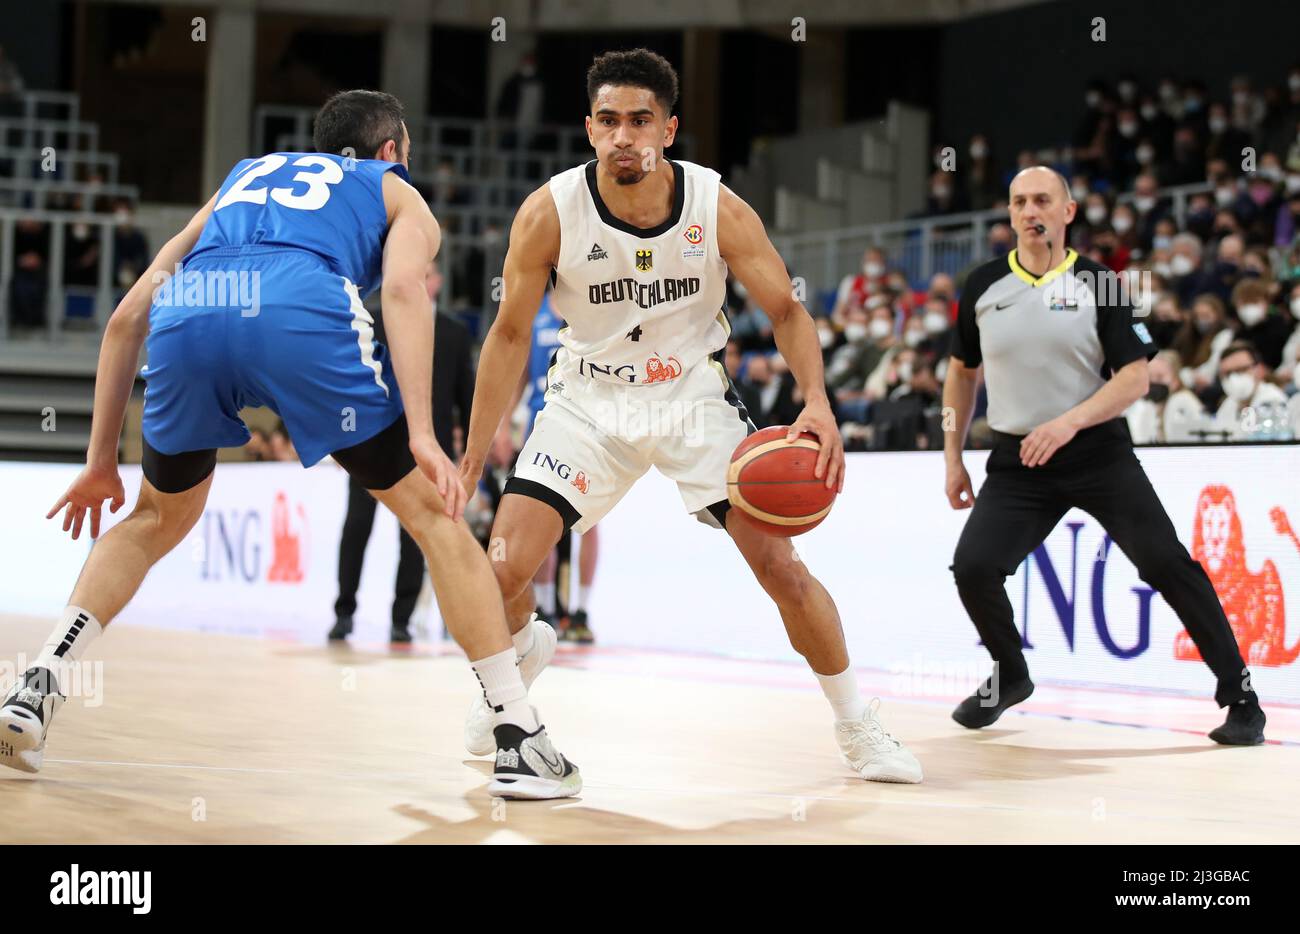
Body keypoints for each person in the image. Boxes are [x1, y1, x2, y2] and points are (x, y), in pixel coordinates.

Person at [1, 90, 580, 799]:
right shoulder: (393, 190)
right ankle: (517, 734)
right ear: (392, 150)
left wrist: (97, 463)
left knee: (153, 518)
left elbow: (127, 317)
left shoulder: (245, 174)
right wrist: (424, 432)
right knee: (435, 518)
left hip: (192, 308)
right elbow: (402, 290)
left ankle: (41, 681)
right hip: (299, 305)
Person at [458, 48, 921, 783]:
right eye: (608, 120)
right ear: (588, 128)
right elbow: (510, 335)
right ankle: (515, 692)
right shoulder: (549, 212)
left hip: (691, 398)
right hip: (589, 398)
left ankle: (859, 724)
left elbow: (787, 311)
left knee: (780, 566)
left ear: (669, 129)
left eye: (641, 120)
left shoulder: (716, 207)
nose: (623, 136)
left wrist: (819, 404)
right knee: (503, 567)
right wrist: (477, 451)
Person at [942, 165, 1266, 745]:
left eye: (1042, 200)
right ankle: (1011, 675)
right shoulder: (982, 285)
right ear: (1010, 214)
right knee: (973, 567)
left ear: (1068, 212)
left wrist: (1068, 423)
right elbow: (961, 374)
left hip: (1095, 452)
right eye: (1018, 202)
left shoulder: (1103, 284)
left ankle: (1240, 698)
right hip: (1019, 460)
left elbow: (1135, 379)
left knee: (1168, 563)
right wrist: (952, 456)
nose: (1029, 211)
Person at [331, 259, 473, 644]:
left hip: (429, 455)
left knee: (416, 535)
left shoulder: (455, 334)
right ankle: (344, 612)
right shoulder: (369, 321)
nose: (418, 281)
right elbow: (347, 382)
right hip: (370, 444)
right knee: (357, 528)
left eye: (426, 274)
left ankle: (402, 619)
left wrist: (467, 457)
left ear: (438, 281)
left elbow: (467, 400)